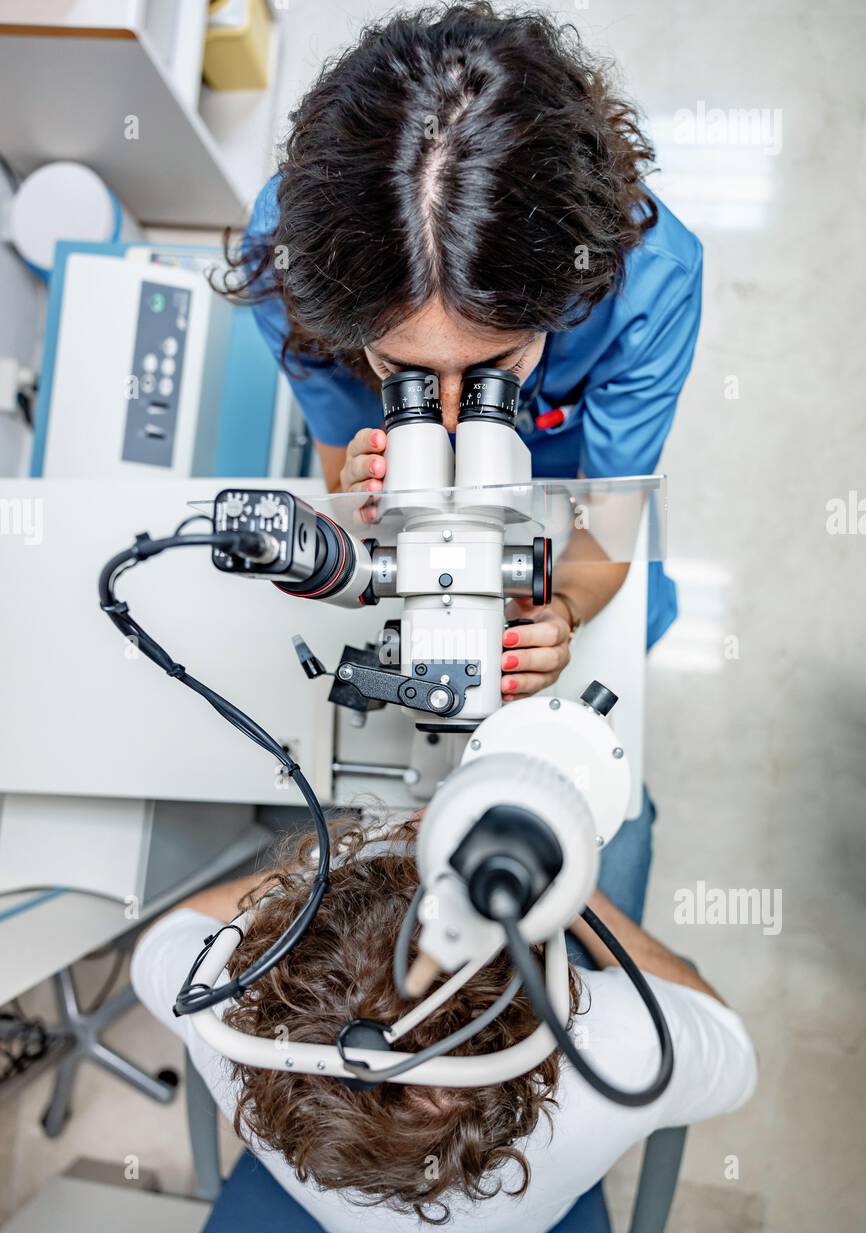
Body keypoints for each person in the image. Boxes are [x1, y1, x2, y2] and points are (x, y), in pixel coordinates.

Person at [226, 3, 702, 928]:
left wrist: (558, 609)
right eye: (405, 375)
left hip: (563, 501)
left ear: (569, 294)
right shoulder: (291, 253)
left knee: (607, 870)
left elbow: (608, 526)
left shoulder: (651, 281)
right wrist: (361, 499)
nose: (446, 416)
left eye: (491, 374)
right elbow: (337, 465)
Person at [132, 816, 756, 1233]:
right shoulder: (619, 1047)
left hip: (327, 1220)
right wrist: (576, 894)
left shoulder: (219, 1011)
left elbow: (165, 934)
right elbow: (732, 1047)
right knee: (630, 825)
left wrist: (349, 841)